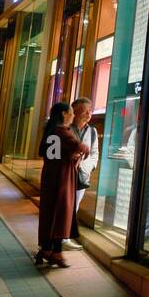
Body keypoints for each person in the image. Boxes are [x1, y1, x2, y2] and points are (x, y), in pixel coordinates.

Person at [35, 102, 89, 268]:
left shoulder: (50, 130)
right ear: (64, 114)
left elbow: (44, 152)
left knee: (49, 212)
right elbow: (83, 148)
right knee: (62, 212)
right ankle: (57, 253)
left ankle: (45, 249)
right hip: (62, 178)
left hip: (50, 176)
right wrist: (78, 153)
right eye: (71, 113)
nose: (73, 116)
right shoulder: (63, 131)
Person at [66, 97, 99, 251]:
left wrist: (88, 167)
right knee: (65, 206)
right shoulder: (66, 128)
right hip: (66, 174)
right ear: (75, 112)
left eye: (90, 110)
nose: (88, 113)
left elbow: (94, 154)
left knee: (75, 206)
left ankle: (65, 237)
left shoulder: (92, 131)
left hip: (82, 175)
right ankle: (62, 237)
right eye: (84, 110)